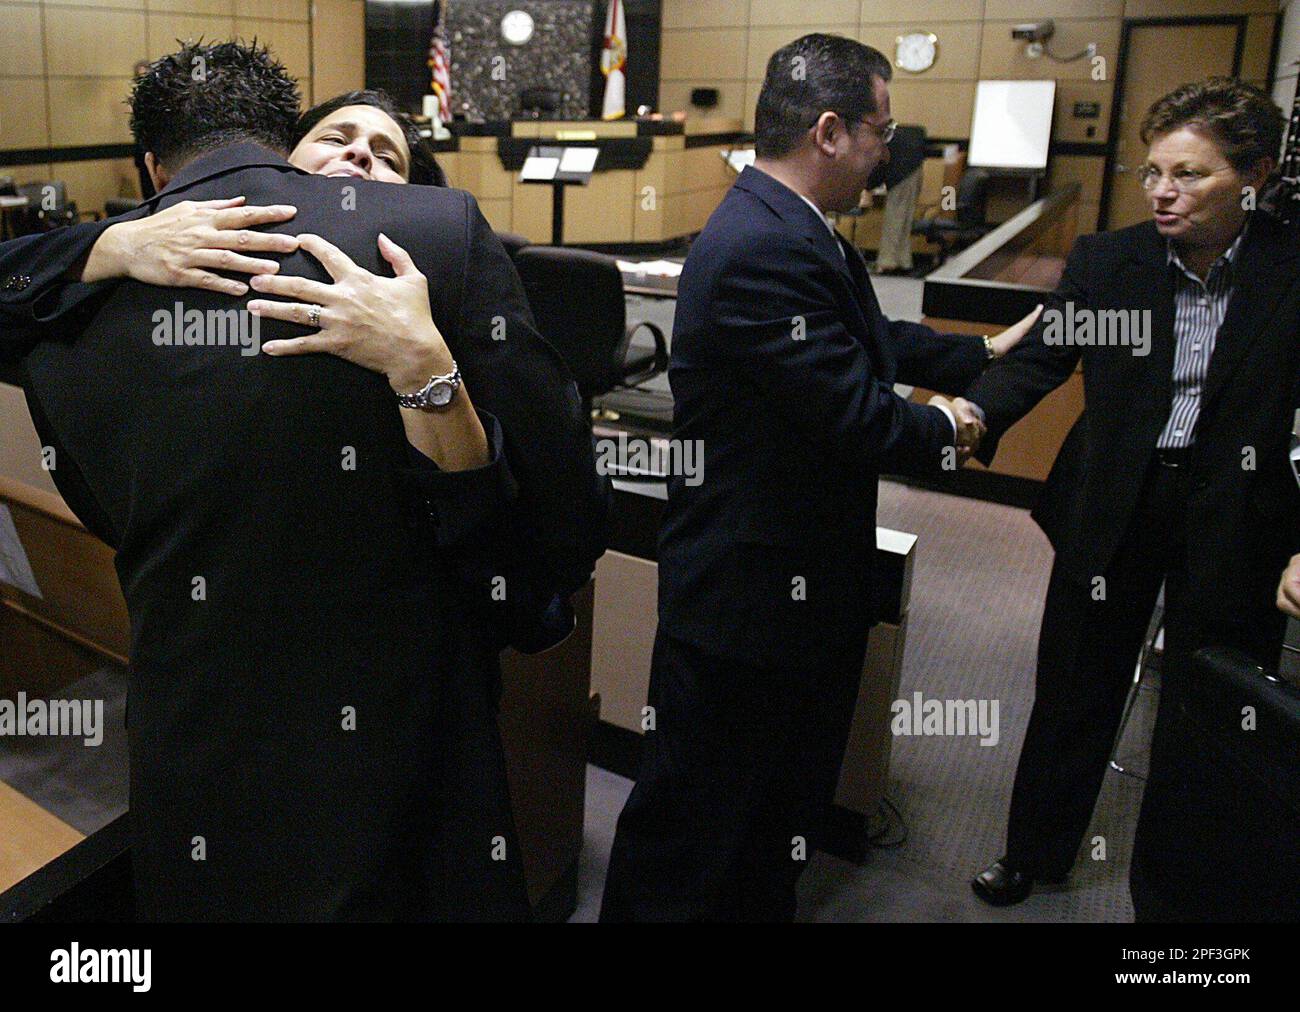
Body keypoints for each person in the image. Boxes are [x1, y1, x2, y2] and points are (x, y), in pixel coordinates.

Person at [0, 42, 606, 921]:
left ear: (149, 163)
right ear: (285, 143)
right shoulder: (443, 234)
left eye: (387, 149)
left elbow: (108, 510)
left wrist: (99, 248)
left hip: (197, 751)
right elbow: (568, 516)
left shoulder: (63, 307)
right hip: (407, 755)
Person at [598, 34, 1041, 923]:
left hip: (788, 588)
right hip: (749, 597)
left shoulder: (792, 224)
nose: (887, 153)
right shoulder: (766, 244)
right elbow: (857, 416)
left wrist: (977, 353)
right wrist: (956, 422)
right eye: (882, 130)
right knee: (697, 828)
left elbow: (862, 341)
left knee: (767, 817)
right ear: (832, 132)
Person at [961, 78, 1297, 919]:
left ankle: (1176, 888)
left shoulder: (1292, 271)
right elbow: (1044, 360)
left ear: (1255, 175)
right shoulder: (1112, 263)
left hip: (1237, 513)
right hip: (1116, 499)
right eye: (1152, 173)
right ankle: (1032, 851)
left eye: (1189, 175)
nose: (1162, 193)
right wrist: (968, 413)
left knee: (1206, 704)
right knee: (1075, 682)